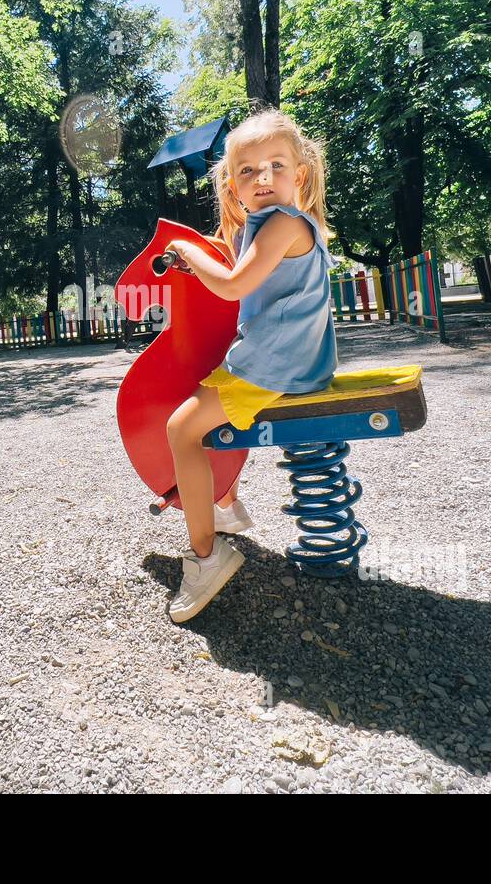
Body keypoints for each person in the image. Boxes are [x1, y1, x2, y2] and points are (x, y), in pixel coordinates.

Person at [163, 109, 338, 622]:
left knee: (181, 430)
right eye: (246, 170)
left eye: (275, 165)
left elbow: (236, 284)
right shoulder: (271, 225)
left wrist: (184, 252)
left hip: (275, 366)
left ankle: (206, 557)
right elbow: (240, 261)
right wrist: (212, 248)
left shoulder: (282, 222)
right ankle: (227, 506)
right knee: (213, 388)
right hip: (295, 360)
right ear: (232, 184)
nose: (262, 177)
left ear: (299, 174)